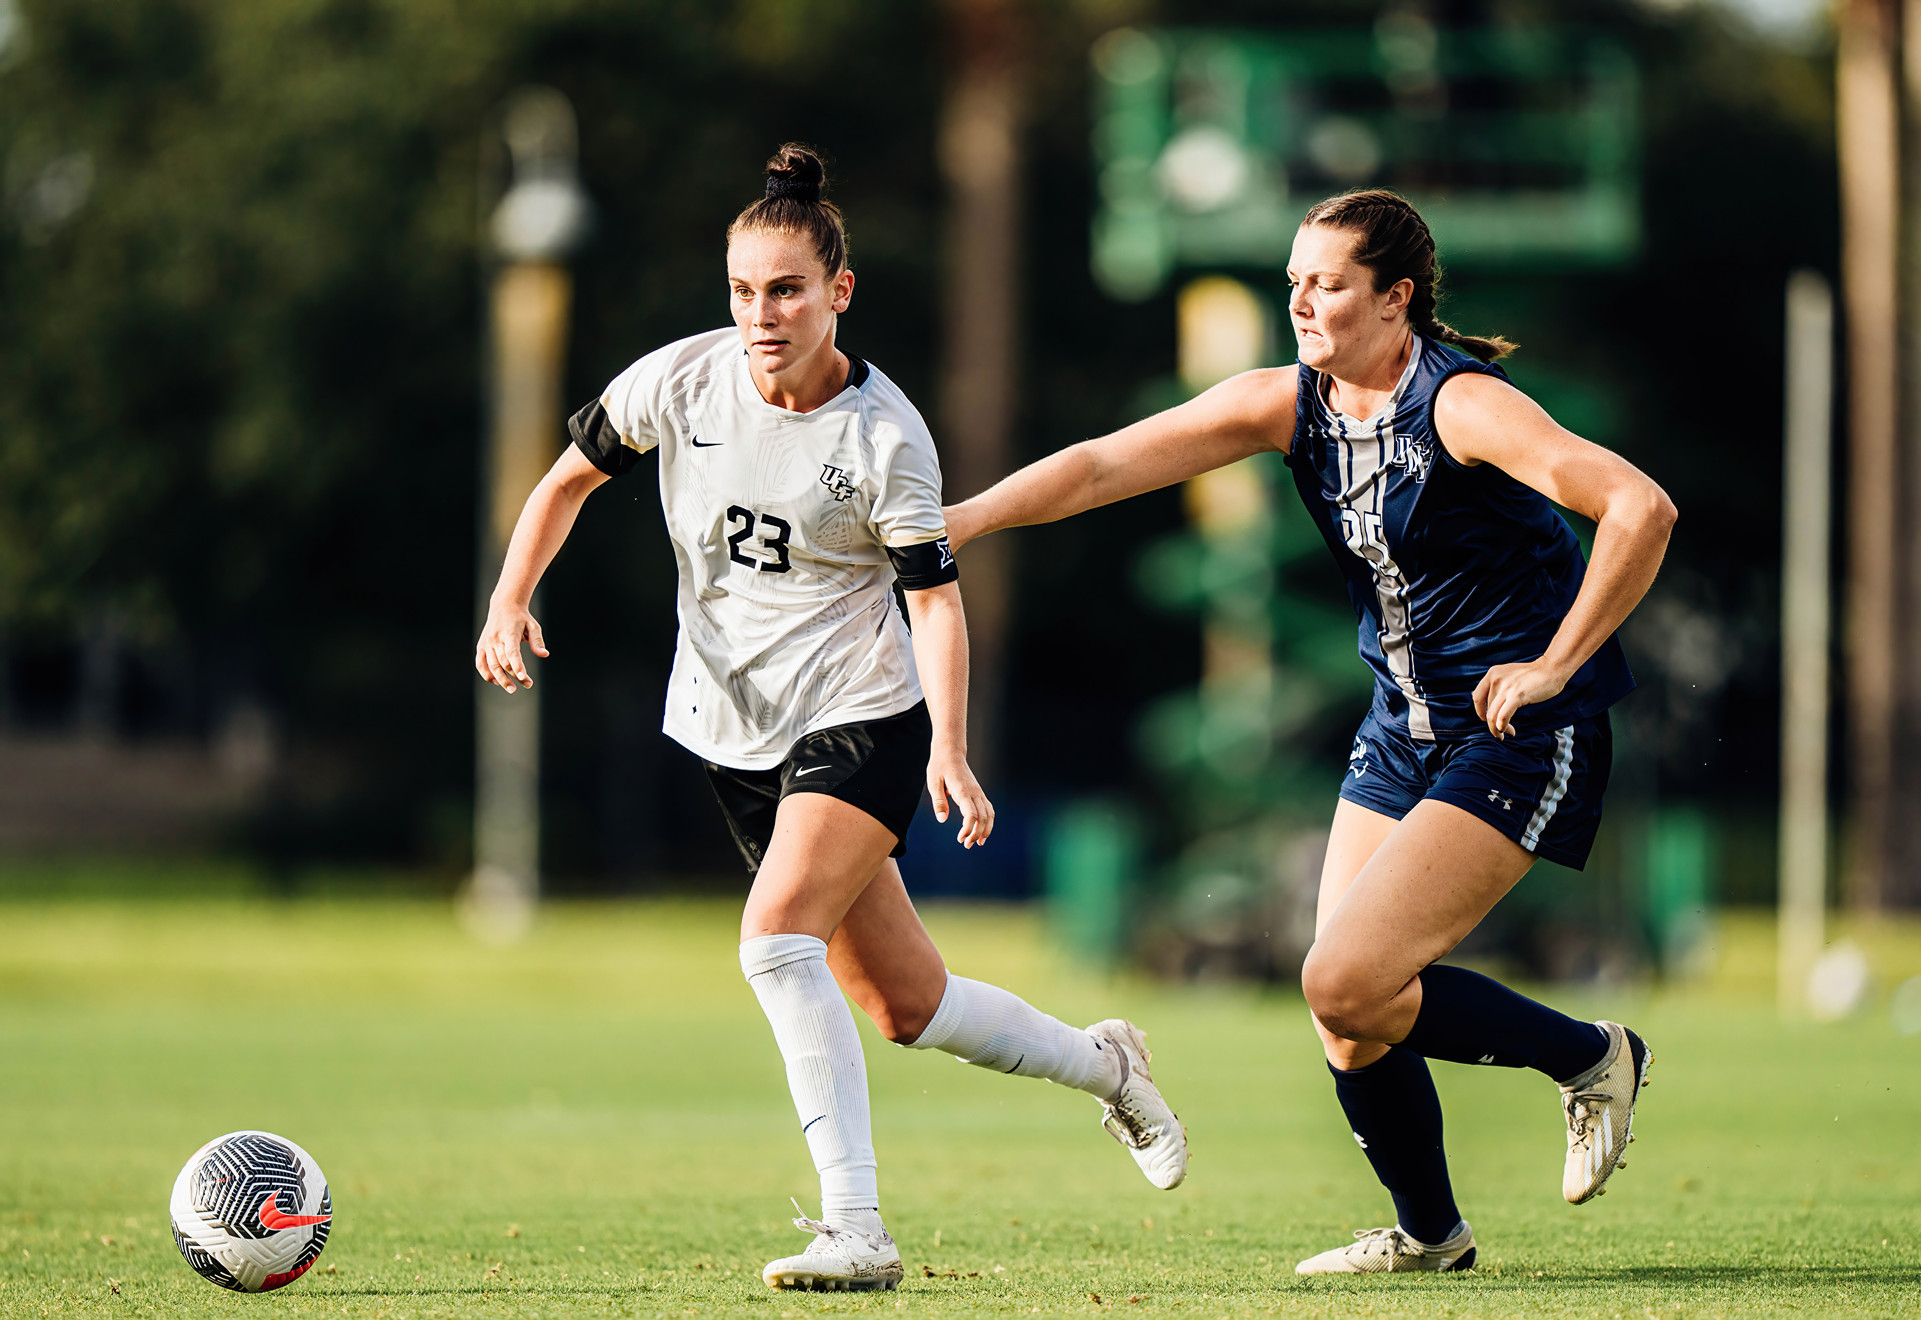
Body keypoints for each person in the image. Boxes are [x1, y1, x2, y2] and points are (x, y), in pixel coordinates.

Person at [473, 144, 1188, 1295]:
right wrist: (510, 598)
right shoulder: (681, 381)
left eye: (788, 290)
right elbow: (564, 482)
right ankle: (1108, 1067)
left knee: (773, 940)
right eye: (745, 291)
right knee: (909, 1006)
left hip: (861, 719)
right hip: (731, 728)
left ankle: (855, 1227)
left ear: (838, 292)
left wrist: (948, 743)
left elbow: (937, 604)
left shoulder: (885, 439)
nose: (762, 314)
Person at [943, 189, 1677, 1276]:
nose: (1298, 298)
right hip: (1399, 731)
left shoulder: (1462, 406)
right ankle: (1433, 1237)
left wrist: (1556, 662)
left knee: (1343, 979)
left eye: (1325, 282)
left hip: (1518, 730)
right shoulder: (1293, 403)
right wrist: (956, 525)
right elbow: (1102, 464)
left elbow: (1639, 507)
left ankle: (1591, 1056)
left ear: (1397, 301)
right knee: (1351, 1018)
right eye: (1292, 277)